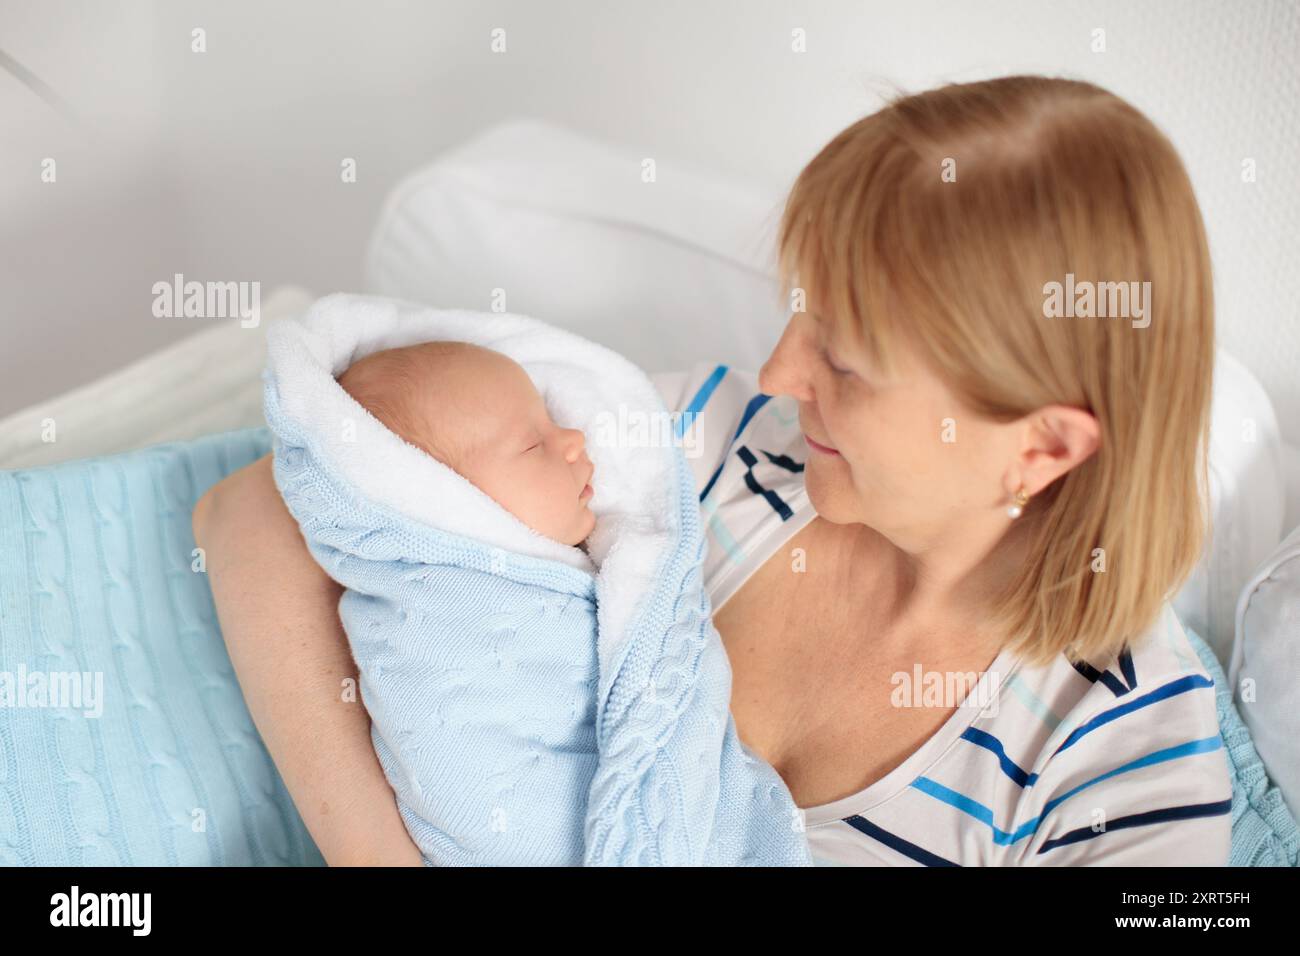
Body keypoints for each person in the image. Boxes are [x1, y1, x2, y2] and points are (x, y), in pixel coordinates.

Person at [193, 75, 1231, 865]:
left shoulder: (1123, 757)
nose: (780, 369)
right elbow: (258, 511)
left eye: (845, 358)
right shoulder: (702, 445)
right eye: (801, 309)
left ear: (1042, 446)